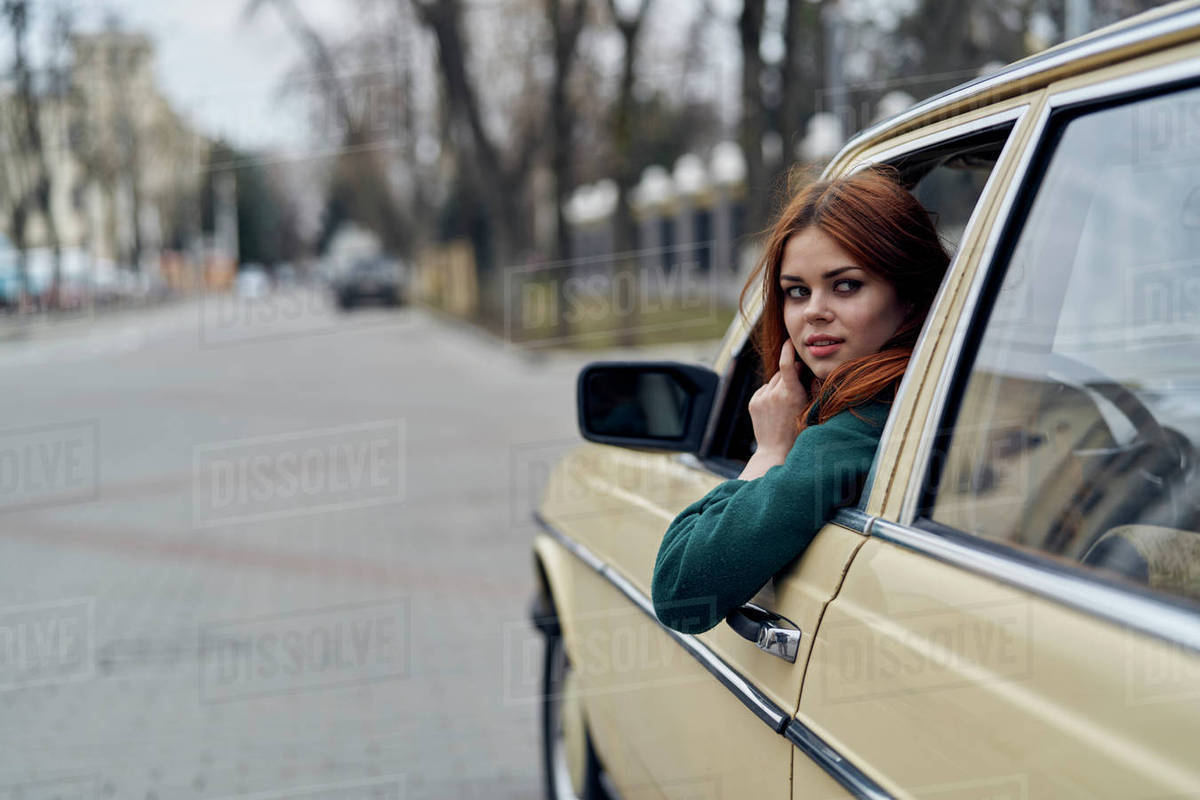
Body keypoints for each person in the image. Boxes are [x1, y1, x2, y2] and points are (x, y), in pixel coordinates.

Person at [651, 167, 950, 634]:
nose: (814, 310)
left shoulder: (856, 430)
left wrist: (770, 450)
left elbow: (681, 592)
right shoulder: (936, 395)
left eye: (846, 284)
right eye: (797, 291)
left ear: (910, 297)